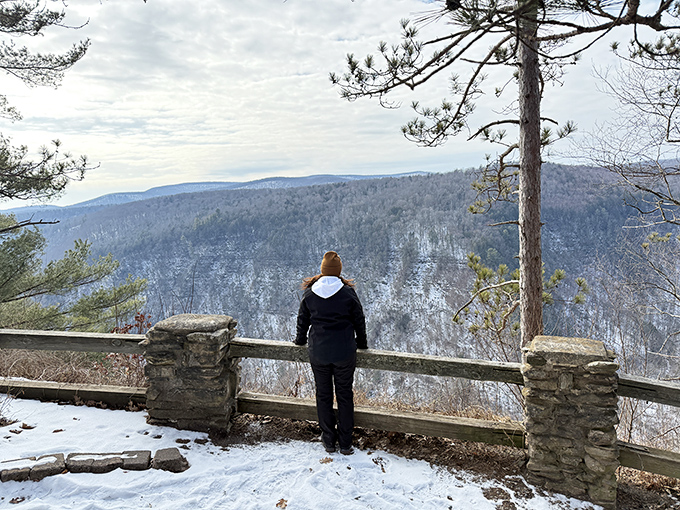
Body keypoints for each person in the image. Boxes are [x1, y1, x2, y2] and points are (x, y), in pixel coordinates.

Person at [295, 251, 367, 455]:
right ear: (339, 271)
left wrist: (300, 340)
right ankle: (345, 443)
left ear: (322, 270)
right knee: (344, 395)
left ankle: (328, 440)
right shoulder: (347, 293)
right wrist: (362, 344)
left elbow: (302, 321)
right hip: (344, 351)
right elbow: (359, 320)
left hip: (318, 352)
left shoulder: (310, 293)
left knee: (323, 395)